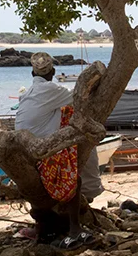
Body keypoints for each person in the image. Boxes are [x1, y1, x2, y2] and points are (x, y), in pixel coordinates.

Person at [16, 52, 104, 204]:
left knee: (67, 114)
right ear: (53, 72)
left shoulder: (26, 93)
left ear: (32, 73)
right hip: (43, 151)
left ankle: (89, 187)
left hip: (26, 150)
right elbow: (78, 97)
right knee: (79, 125)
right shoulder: (50, 89)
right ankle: (91, 187)